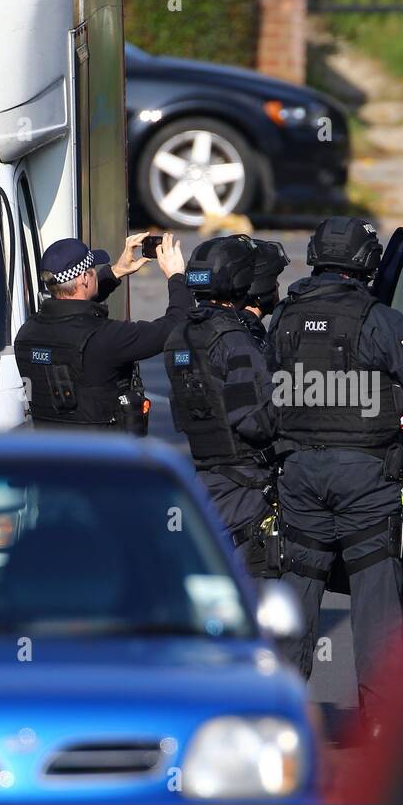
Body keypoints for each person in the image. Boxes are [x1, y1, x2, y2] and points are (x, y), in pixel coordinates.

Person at [265, 216, 403, 730]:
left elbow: (267, 387)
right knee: (374, 597)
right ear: (367, 262)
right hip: (365, 475)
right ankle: (381, 723)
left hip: (297, 473)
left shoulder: (285, 318)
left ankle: (279, 714)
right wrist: (398, 415)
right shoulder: (380, 319)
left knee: (297, 592)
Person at [164, 236, 279, 573]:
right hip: (246, 485)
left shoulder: (179, 336)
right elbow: (254, 419)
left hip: (205, 473)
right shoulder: (234, 339)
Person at [15, 233, 187, 431]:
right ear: (84, 278)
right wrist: (177, 277)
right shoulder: (104, 337)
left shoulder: (26, 333)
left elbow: (71, 311)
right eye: (93, 270)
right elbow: (175, 326)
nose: (96, 273)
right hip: (103, 455)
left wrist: (114, 272)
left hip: (50, 453)